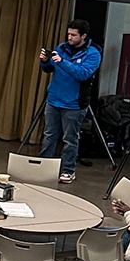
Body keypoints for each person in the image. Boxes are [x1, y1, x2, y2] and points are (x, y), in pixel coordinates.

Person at [38, 19, 102, 184]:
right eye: (69, 34)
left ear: (84, 36)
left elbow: (83, 74)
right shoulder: (62, 48)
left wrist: (63, 62)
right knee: (49, 135)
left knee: (70, 139)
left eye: (74, 35)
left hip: (74, 104)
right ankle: (44, 165)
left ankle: (68, 170)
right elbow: (49, 69)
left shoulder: (93, 53)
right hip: (54, 100)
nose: (70, 37)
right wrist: (45, 61)